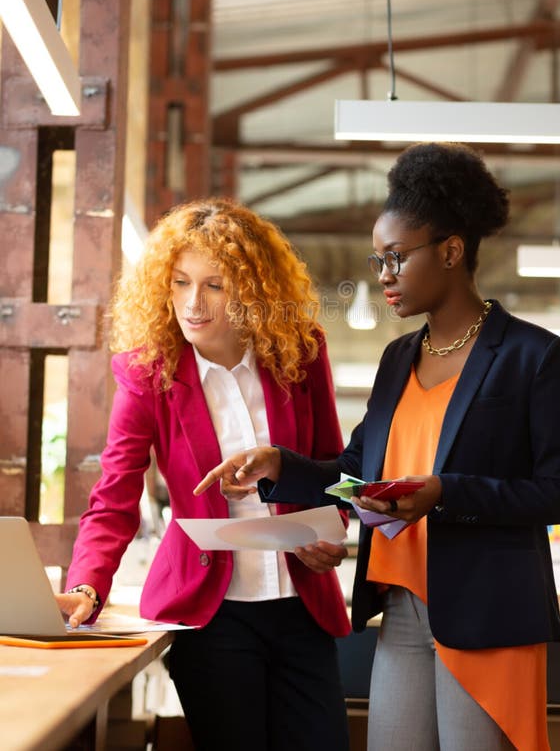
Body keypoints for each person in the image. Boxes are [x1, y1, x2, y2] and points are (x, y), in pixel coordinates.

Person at [195, 142, 560, 751]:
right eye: (377, 260)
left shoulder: (532, 357)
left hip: (487, 613)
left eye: (397, 258)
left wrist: (445, 492)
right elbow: (357, 475)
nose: (383, 276)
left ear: (452, 251)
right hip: (401, 607)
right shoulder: (397, 359)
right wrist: (280, 467)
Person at [56, 198, 351, 751]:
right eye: (180, 282)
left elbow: (336, 470)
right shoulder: (150, 374)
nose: (194, 303)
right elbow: (115, 495)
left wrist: (328, 528)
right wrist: (85, 583)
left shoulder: (301, 354)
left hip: (301, 607)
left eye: (215, 285)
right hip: (209, 617)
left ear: (252, 289)